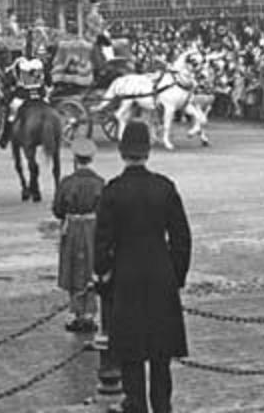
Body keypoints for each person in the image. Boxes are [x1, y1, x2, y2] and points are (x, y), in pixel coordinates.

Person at [95, 120, 191, 413]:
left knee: (131, 355)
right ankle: (162, 407)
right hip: (161, 273)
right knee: (161, 356)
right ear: (147, 151)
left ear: (123, 152)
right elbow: (181, 237)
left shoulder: (113, 191)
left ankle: (135, 406)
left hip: (126, 275)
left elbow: (101, 242)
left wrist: (104, 273)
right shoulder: (164, 187)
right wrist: (177, 273)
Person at [53, 138, 105, 334]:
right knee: (91, 267)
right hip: (93, 228)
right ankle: (90, 313)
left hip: (73, 228)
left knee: (73, 268)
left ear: (75, 158)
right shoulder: (100, 183)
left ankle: (75, 312)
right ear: (91, 158)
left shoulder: (66, 183)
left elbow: (57, 209)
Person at [0, 34, 47, 149]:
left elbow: (10, 78)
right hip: (40, 95)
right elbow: (48, 80)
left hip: (24, 95)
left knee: (10, 114)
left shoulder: (18, 62)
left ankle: (4, 139)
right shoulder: (40, 62)